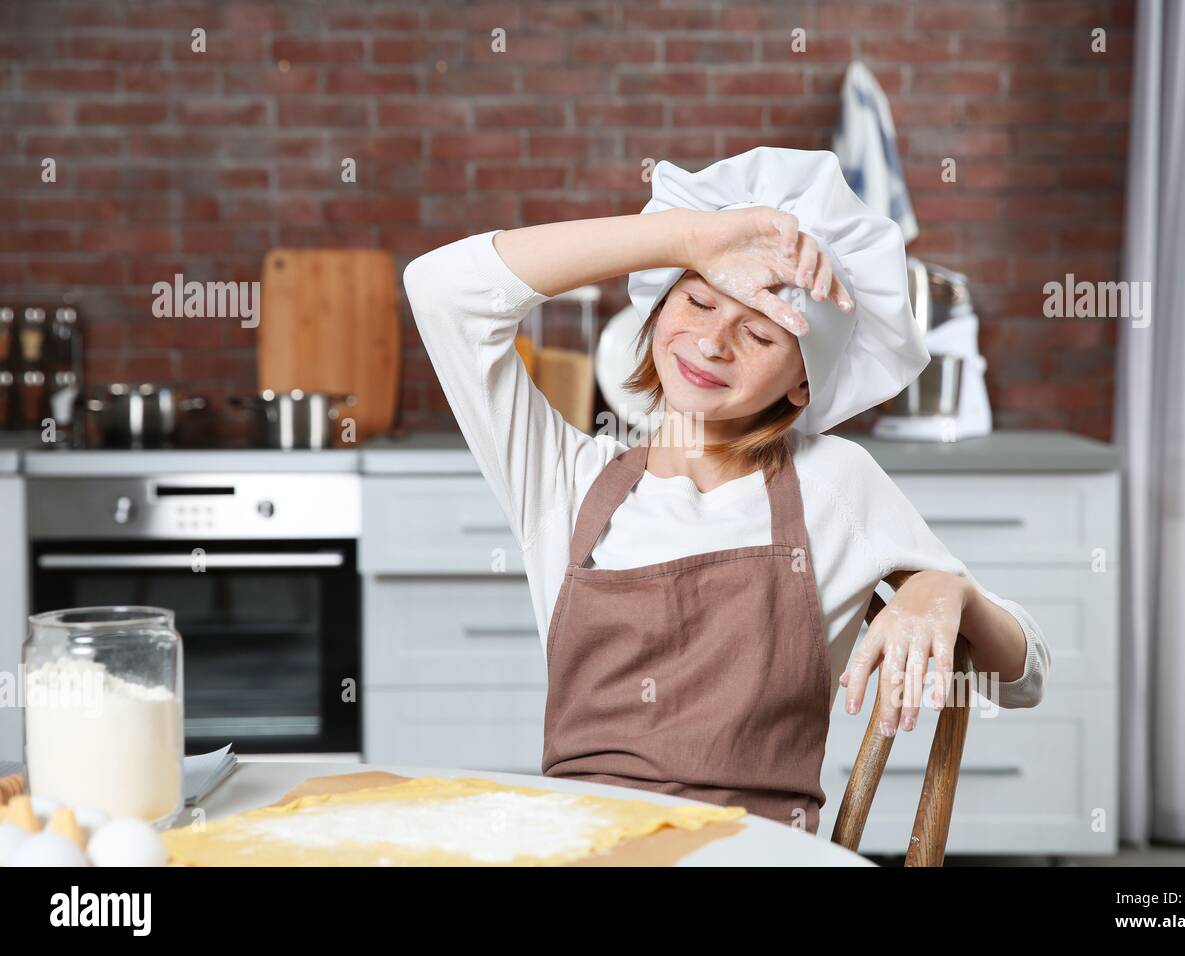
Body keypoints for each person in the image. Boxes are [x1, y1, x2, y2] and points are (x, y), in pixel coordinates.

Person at [403, 147, 1050, 835]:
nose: (713, 343)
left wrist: (947, 592)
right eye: (699, 298)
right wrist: (690, 237)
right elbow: (440, 289)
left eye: (760, 332)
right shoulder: (567, 480)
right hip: (584, 847)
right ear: (655, 307)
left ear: (805, 383)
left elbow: (1025, 673)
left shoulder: (833, 484)